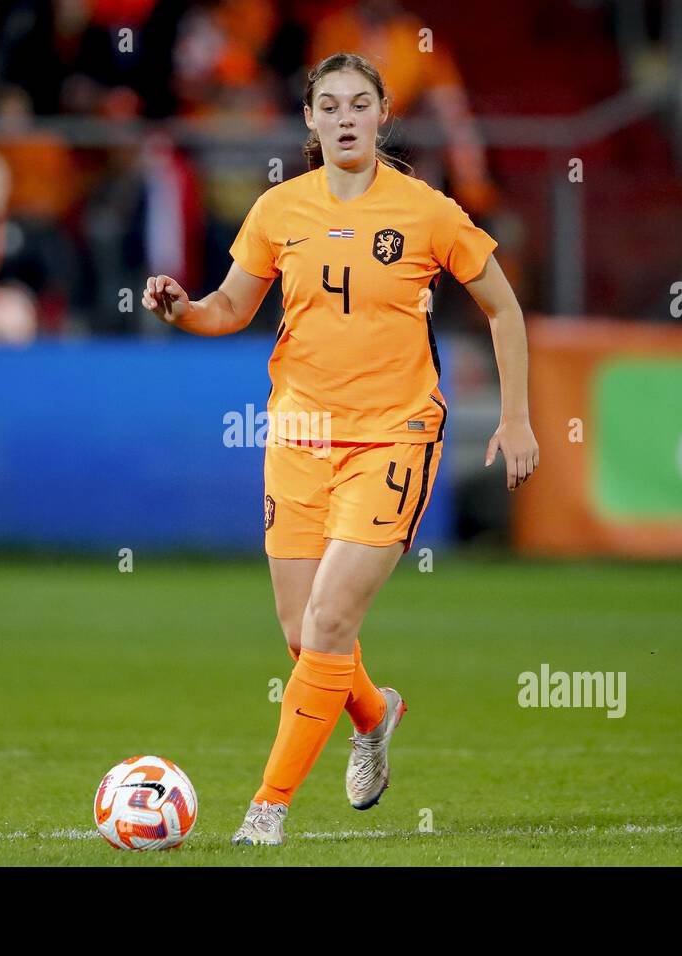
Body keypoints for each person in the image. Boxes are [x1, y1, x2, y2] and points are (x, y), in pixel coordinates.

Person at [141, 52, 537, 846]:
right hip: (297, 436)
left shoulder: (426, 211)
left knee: (327, 624)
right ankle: (372, 711)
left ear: (383, 114)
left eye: (361, 103)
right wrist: (183, 309)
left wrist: (517, 417)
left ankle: (267, 808)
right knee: (301, 633)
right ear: (311, 121)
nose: (346, 116)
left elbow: (502, 307)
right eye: (331, 104)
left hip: (393, 435)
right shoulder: (278, 210)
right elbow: (229, 308)